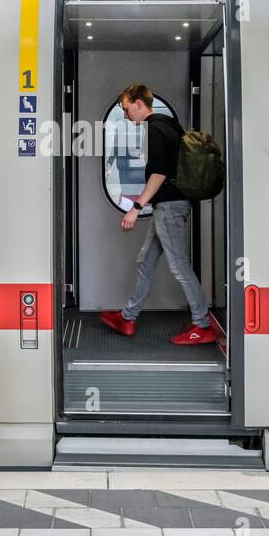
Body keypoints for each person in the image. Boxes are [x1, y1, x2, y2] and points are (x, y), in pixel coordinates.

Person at [100, 83, 216, 346]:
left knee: (179, 266)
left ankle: (202, 325)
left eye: (127, 109)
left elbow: (159, 173)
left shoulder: (155, 129)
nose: (127, 115)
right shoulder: (171, 125)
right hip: (168, 206)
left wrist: (136, 208)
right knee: (146, 260)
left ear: (139, 104)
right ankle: (128, 317)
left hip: (170, 207)